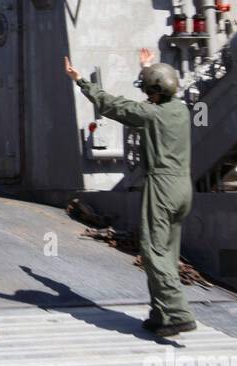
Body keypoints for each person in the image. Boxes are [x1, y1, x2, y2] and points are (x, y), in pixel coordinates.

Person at [64, 48, 196, 337]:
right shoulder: (181, 109)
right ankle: (161, 314)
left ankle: (177, 313)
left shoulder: (150, 115)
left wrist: (81, 81)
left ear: (154, 92)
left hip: (161, 186)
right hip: (184, 187)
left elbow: (113, 106)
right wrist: (147, 68)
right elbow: (157, 93)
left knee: (152, 251)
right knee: (168, 253)